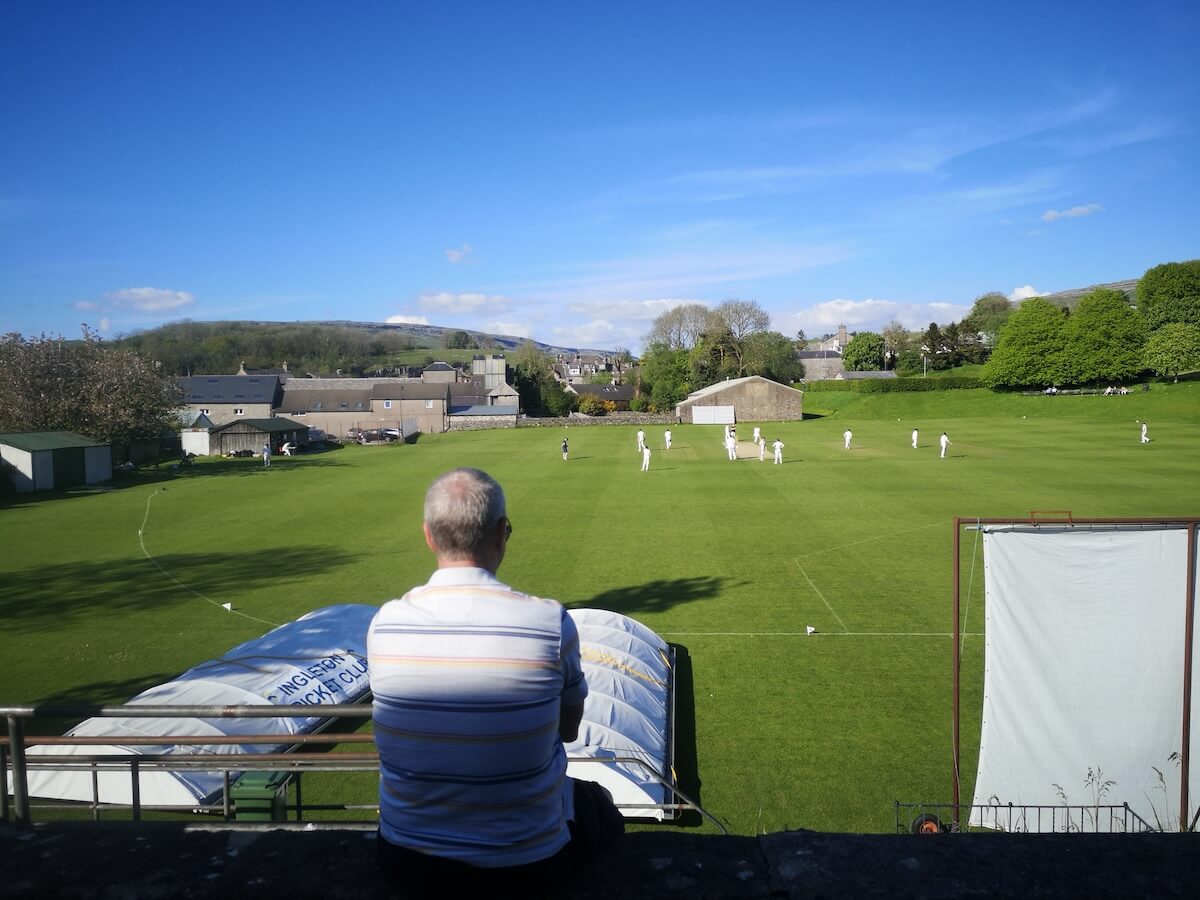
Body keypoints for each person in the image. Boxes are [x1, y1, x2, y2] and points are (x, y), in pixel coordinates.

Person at [368, 469, 623, 895]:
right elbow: (569, 729)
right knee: (599, 805)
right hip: (529, 863)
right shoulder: (548, 621)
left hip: (405, 859)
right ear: (501, 533)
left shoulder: (384, 623)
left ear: (429, 536)